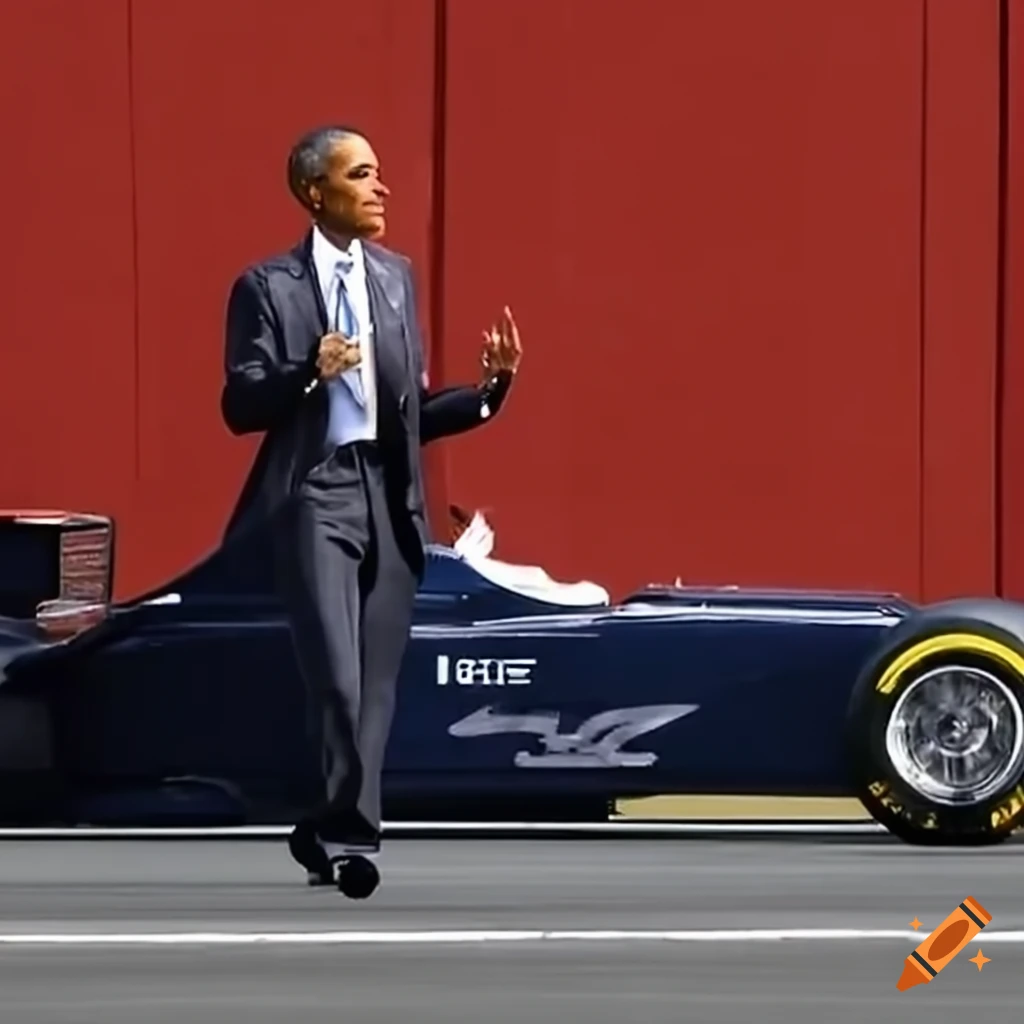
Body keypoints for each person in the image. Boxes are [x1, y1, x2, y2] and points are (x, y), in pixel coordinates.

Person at [220, 125, 521, 898]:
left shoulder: (395, 278)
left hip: (389, 495)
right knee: (338, 680)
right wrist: (308, 373)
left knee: (378, 688)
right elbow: (240, 403)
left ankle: (324, 824)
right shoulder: (267, 287)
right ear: (315, 192)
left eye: (381, 173)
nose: (382, 188)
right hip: (316, 493)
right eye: (362, 175)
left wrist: (489, 393)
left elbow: (410, 411)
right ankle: (356, 840)